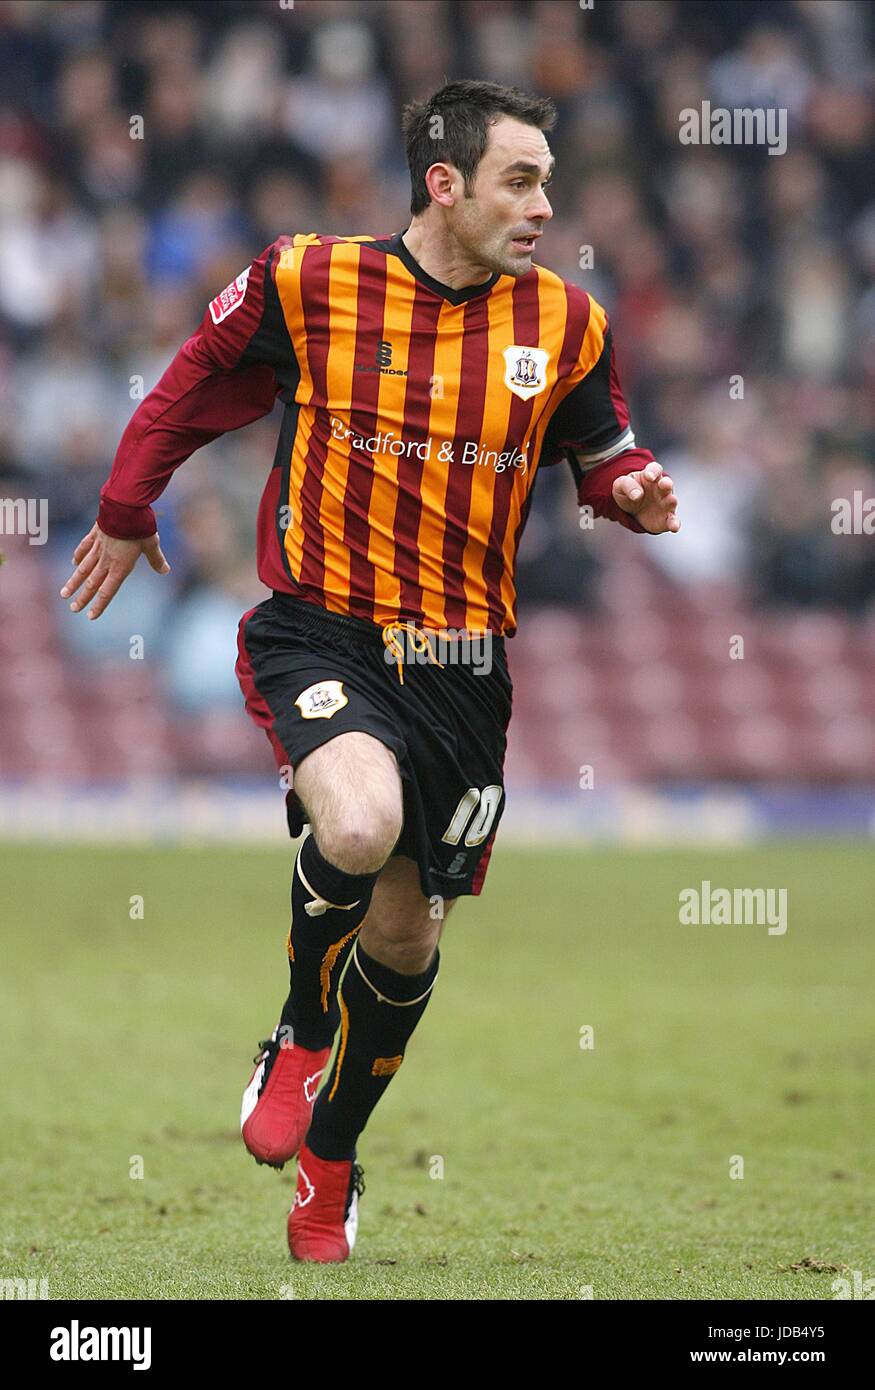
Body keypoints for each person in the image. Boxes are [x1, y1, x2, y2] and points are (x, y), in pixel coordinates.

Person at [61, 80, 680, 1263]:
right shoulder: (310, 279)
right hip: (324, 629)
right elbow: (189, 381)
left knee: (404, 942)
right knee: (354, 825)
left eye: (547, 180)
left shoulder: (565, 322)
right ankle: (296, 1033)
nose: (543, 204)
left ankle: (332, 1158)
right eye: (519, 179)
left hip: (463, 665)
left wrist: (630, 491)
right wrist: (124, 504)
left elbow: (599, 445)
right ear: (441, 184)